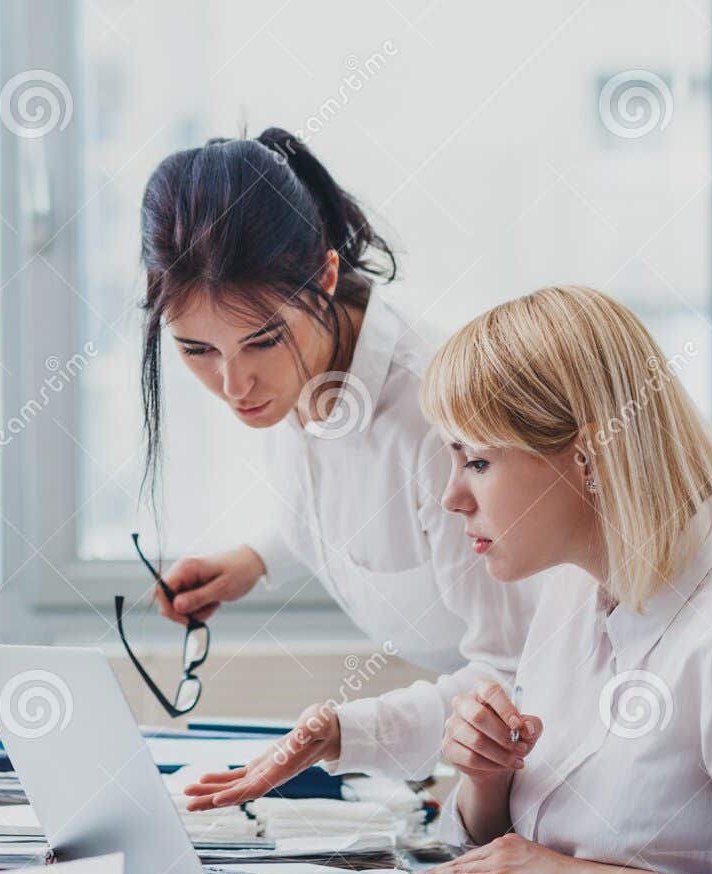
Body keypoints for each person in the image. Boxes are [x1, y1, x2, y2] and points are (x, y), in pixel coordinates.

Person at [391, 285, 712, 874]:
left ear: (589, 457)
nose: (451, 498)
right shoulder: (574, 587)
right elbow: (507, 859)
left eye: (478, 462)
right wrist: (486, 779)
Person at [137, 127, 535, 782]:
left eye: (262, 340)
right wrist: (253, 562)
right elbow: (359, 508)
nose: (234, 385)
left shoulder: (435, 421)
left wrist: (344, 733)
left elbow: (520, 670)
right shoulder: (297, 374)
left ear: (324, 277)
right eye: (196, 350)